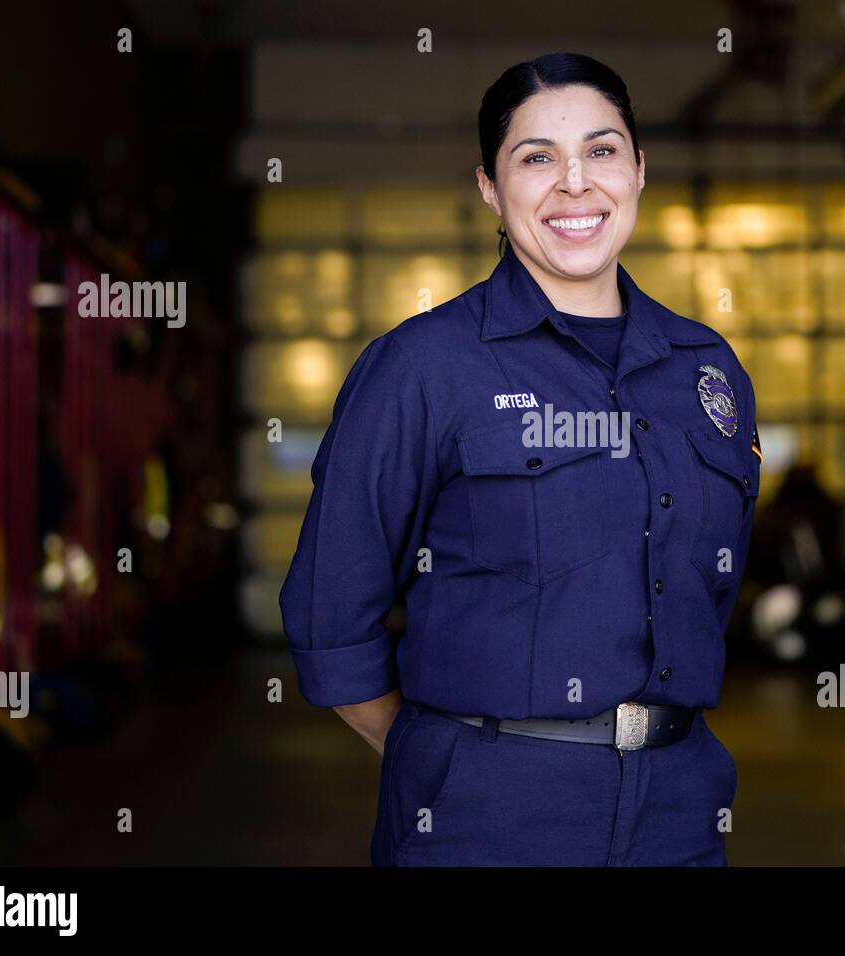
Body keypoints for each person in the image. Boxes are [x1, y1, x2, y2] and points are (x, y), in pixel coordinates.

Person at [280, 52, 760, 866]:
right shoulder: (426, 366)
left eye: (602, 152)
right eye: (536, 158)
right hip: (485, 819)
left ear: (640, 172)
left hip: (680, 811)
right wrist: (456, 757)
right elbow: (331, 614)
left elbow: (704, 592)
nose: (576, 185)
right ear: (490, 190)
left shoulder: (704, 366)